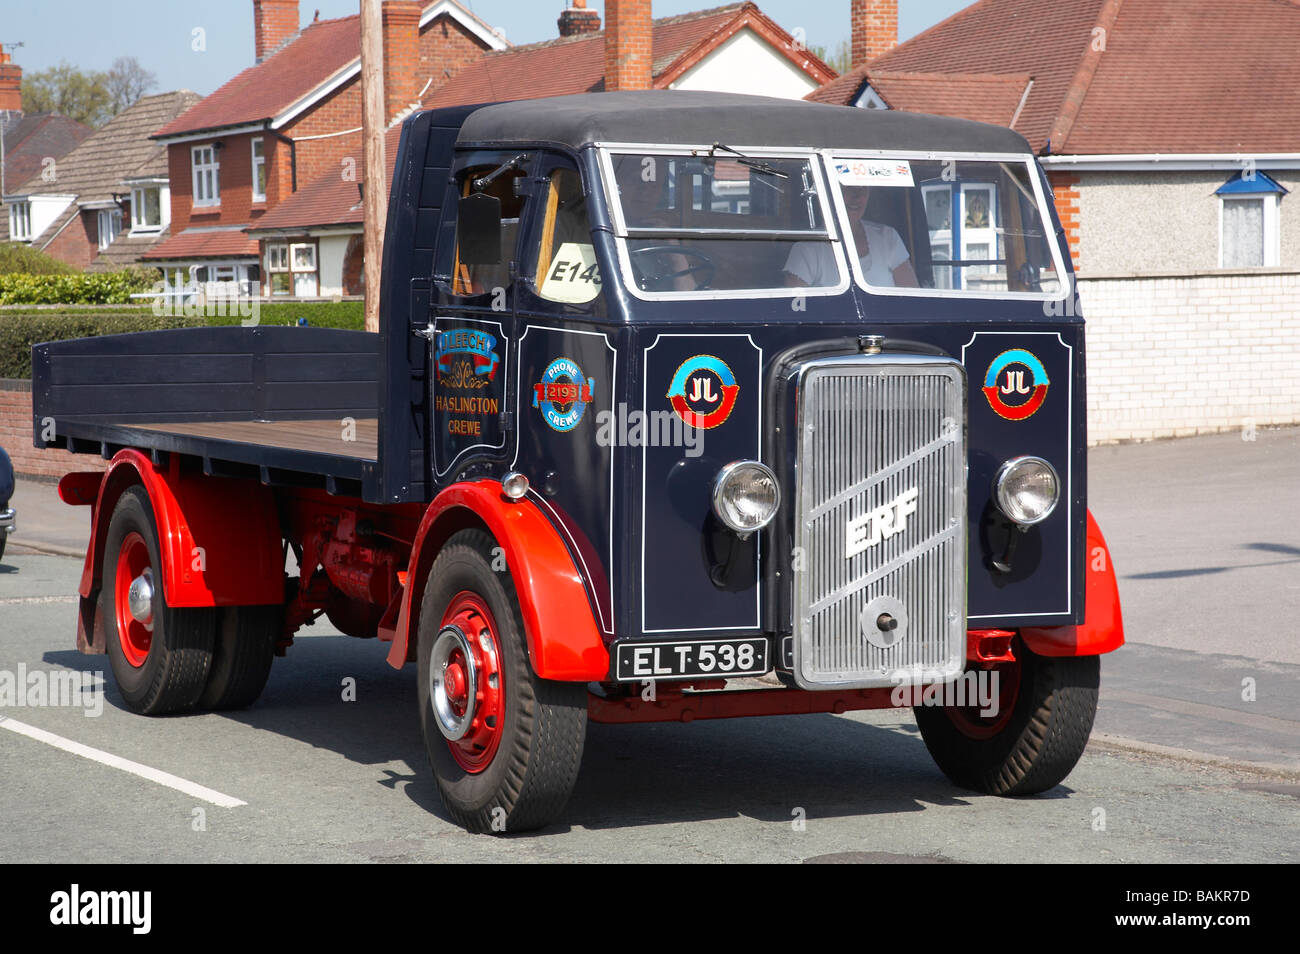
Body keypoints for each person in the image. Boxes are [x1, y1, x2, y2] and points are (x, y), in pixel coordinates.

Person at [784, 185, 919, 289]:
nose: (857, 196)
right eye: (848, 188)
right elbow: (798, 307)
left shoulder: (887, 236)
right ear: (830, 192)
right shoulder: (807, 247)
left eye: (863, 188)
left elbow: (911, 298)